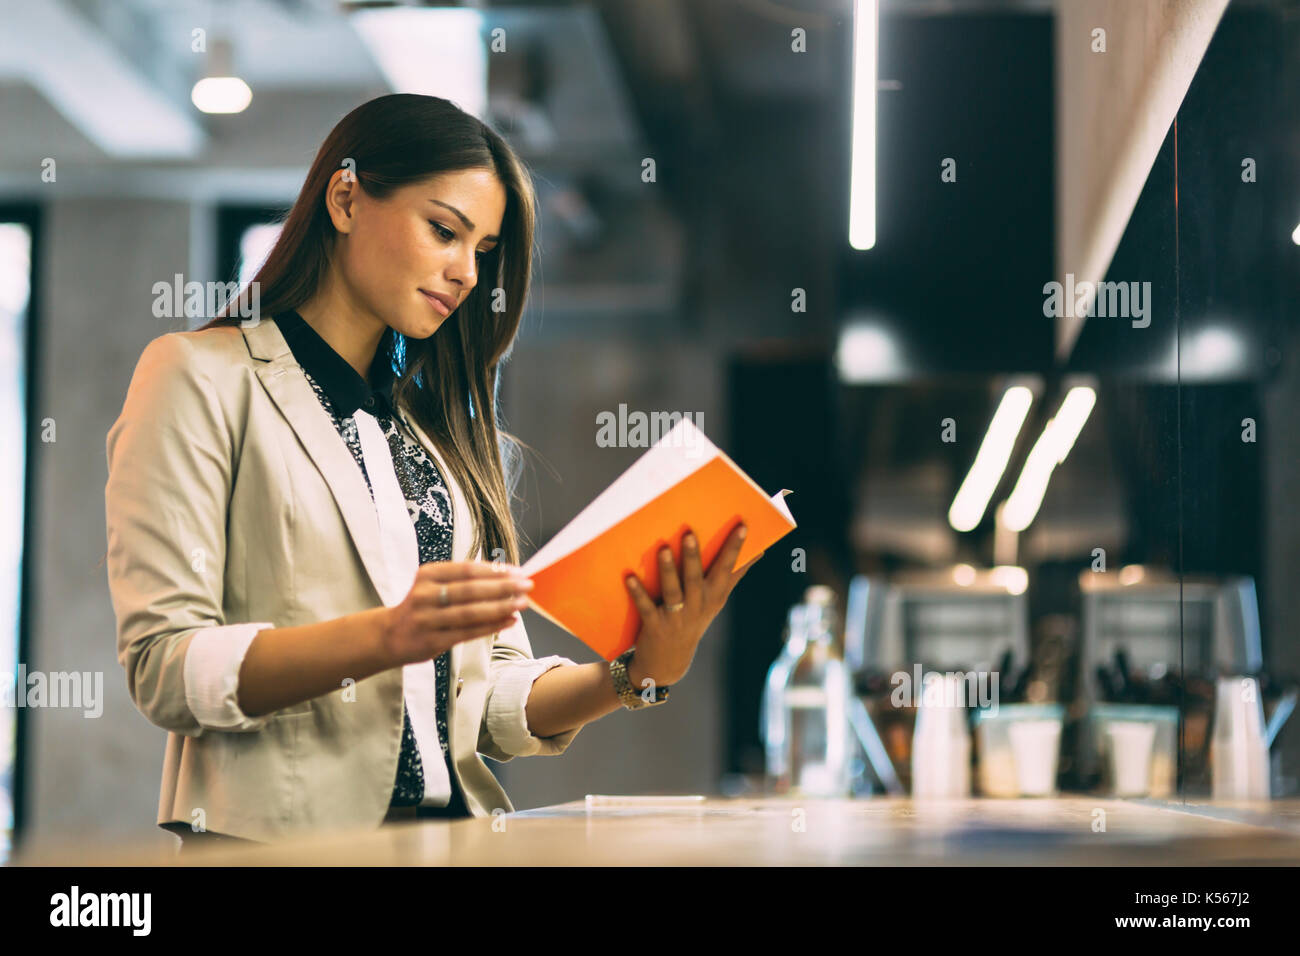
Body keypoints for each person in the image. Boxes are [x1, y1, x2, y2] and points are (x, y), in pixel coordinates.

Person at [104, 93, 759, 851]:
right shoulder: (199, 377)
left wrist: (634, 672)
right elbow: (166, 665)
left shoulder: (434, 442)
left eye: (481, 251)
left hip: (450, 843)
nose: (467, 274)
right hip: (277, 851)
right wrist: (384, 637)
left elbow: (492, 698)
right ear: (345, 198)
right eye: (444, 230)